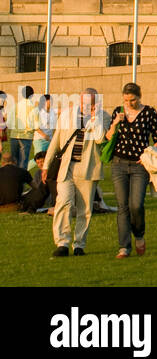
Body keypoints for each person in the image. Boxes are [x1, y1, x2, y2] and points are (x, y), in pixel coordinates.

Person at [46, 88, 109, 257]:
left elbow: (100, 138)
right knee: (64, 202)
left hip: (88, 168)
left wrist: (96, 118)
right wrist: (46, 165)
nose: (86, 105)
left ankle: (79, 244)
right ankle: (62, 242)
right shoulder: (67, 114)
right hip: (67, 167)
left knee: (85, 209)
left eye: (90, 103)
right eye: (83, 102)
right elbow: (56, 140)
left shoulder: (104, 117)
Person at [105, 83, 157, 259]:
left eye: (133, 100)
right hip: (119, 164)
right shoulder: (118, 111)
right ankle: (124, 247)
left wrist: (151, 152)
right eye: (126, 100)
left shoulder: (149, 112)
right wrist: (115, 123)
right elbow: (108, 137)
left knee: (136, 205)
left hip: (140, 165)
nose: (129, 103)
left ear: (139, 97)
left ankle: (139, 235)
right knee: (122, 206)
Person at [9, 85, 34, 170]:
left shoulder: (15, 106)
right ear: (32, 95)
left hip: (14, 136)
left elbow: (9, 123)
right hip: (26, 137)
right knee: (23, 163)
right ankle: (21, 182)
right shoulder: (33, 107)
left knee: (14, 163)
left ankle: (13, 182)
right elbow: (36, 124)